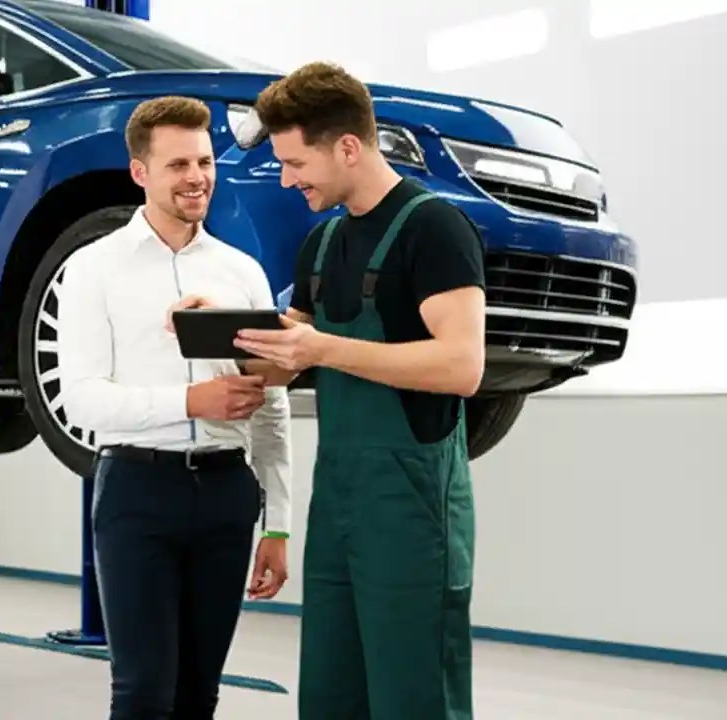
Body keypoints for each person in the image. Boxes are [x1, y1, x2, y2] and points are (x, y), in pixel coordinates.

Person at [233, 62, 485, 719]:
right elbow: (291, 358)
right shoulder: (320, 244)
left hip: (412, 511)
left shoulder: (436, 229)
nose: (287, 180)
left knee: (414, 698)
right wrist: (226, 333)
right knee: (329, 694)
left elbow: (463, 366)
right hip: (340, 502)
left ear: (348, 146)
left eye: (294, 163)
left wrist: (321, 348)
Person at [56, 95, 293, 720]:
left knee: (199, 695)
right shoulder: (91, 270)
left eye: (206, 161)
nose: (197, 177)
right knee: (142, 694)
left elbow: (270, 404)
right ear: (140, 172)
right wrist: (189, 400)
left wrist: (278, 522)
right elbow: (81, 400)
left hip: (226, 494)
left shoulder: (242, 272)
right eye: (178, 164)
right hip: (138, 492)